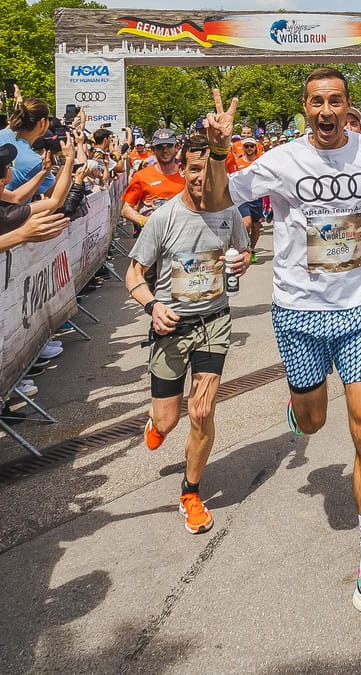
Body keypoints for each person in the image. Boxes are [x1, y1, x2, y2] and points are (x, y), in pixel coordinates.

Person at [200, 68, 361, 627]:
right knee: (314, 420)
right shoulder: (284, 159)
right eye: (316, 101)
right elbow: (217, 198)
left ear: (347, 106)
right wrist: (218, 151)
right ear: (305, 107)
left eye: (335, 101)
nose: (325, 110)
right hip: (298, 311)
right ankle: (301, 408)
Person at [125, 135, 251, 534]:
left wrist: (243, 262)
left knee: (201, 411)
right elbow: (133, 274)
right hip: (172, 327)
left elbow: (243, 251)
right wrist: (152, 306)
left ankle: (190, 492)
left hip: (214, 322)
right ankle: (157, 425)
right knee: (167, 419)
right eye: (194, 169)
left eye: (208, 169)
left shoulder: (228, 212)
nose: (201, 177)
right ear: (182, 170)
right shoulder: (164, 218)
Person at [122, 129, 185, 238]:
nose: (165, 150)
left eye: (169, 146)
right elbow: (126, 209)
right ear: (153, 150)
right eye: (160, 147)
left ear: (176, 147)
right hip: (154, 236)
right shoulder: (141, 176)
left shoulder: (187, 174)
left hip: (182, 235)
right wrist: (144, 220)